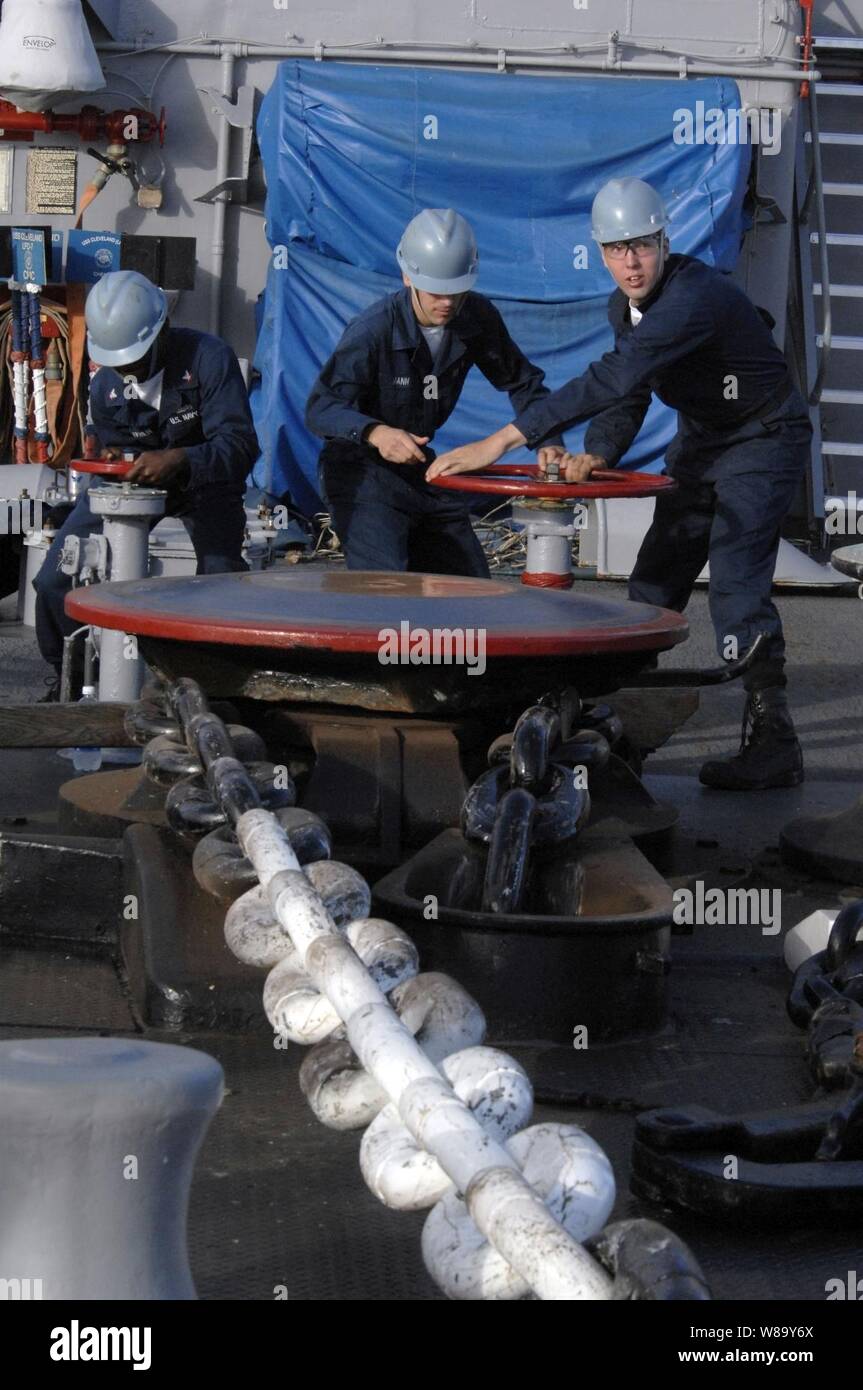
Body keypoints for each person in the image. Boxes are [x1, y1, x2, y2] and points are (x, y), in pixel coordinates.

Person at [427, 178, 812, 791]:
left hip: (763, 436)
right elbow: (630, 394)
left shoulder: (696, 296)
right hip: (704, 439)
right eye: (616, 249)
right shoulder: (623, 309)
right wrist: (599, 452)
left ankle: (775, 742)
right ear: (601, 253)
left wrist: (500, 441)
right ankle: (616, 723)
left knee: (736, 584)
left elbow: (615, 375)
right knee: (655, 582)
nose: (630, 263)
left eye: (641, 245)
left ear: (664, 241)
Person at [305, 207, 565, 575]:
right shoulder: (372, 330)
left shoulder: (477, 317)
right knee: (384, 585)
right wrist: (376, 433)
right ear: (407, 276)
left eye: (457, 291)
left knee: (471, 584)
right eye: (436, 291)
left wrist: (549, 439)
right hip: (358, 470)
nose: (447, 303)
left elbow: (523, 382)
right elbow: (321, 407)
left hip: (419, 466)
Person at [35, 270, 259, 697]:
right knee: (53, 579)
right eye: (118, 362)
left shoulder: (210, 359)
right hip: (133, 486)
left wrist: (181, 458)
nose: (126, 369)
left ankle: (214, 685)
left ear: (162, 332)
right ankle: (77, 677)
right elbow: (114, 444)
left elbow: (241, 445)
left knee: (220, 577)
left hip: (203, 481)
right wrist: (115, 458)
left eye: (134, 358)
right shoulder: (105, 386)